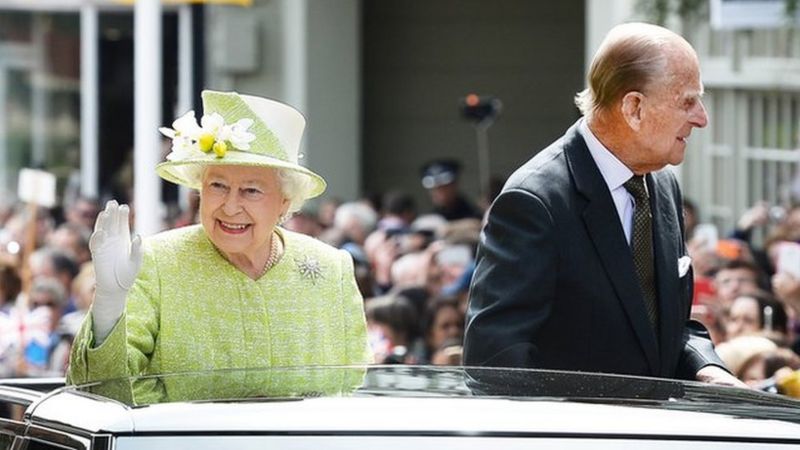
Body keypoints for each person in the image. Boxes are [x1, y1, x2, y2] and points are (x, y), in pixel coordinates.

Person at [464, 23, 743, 386]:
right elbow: (495, 361)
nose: (701, 118)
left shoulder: (662, 185)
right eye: (688, 101)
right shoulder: (534, 203)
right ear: (634, 108)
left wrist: (709, 369)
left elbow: (662, 328)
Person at [67, 90, 372, 403]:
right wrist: (108, 306)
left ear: (284, 201)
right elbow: (103, 395)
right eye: (218, 186)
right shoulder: (156, 262)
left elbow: (352, 389)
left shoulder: (332, 267)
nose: (230, 207)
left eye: (251, 191)